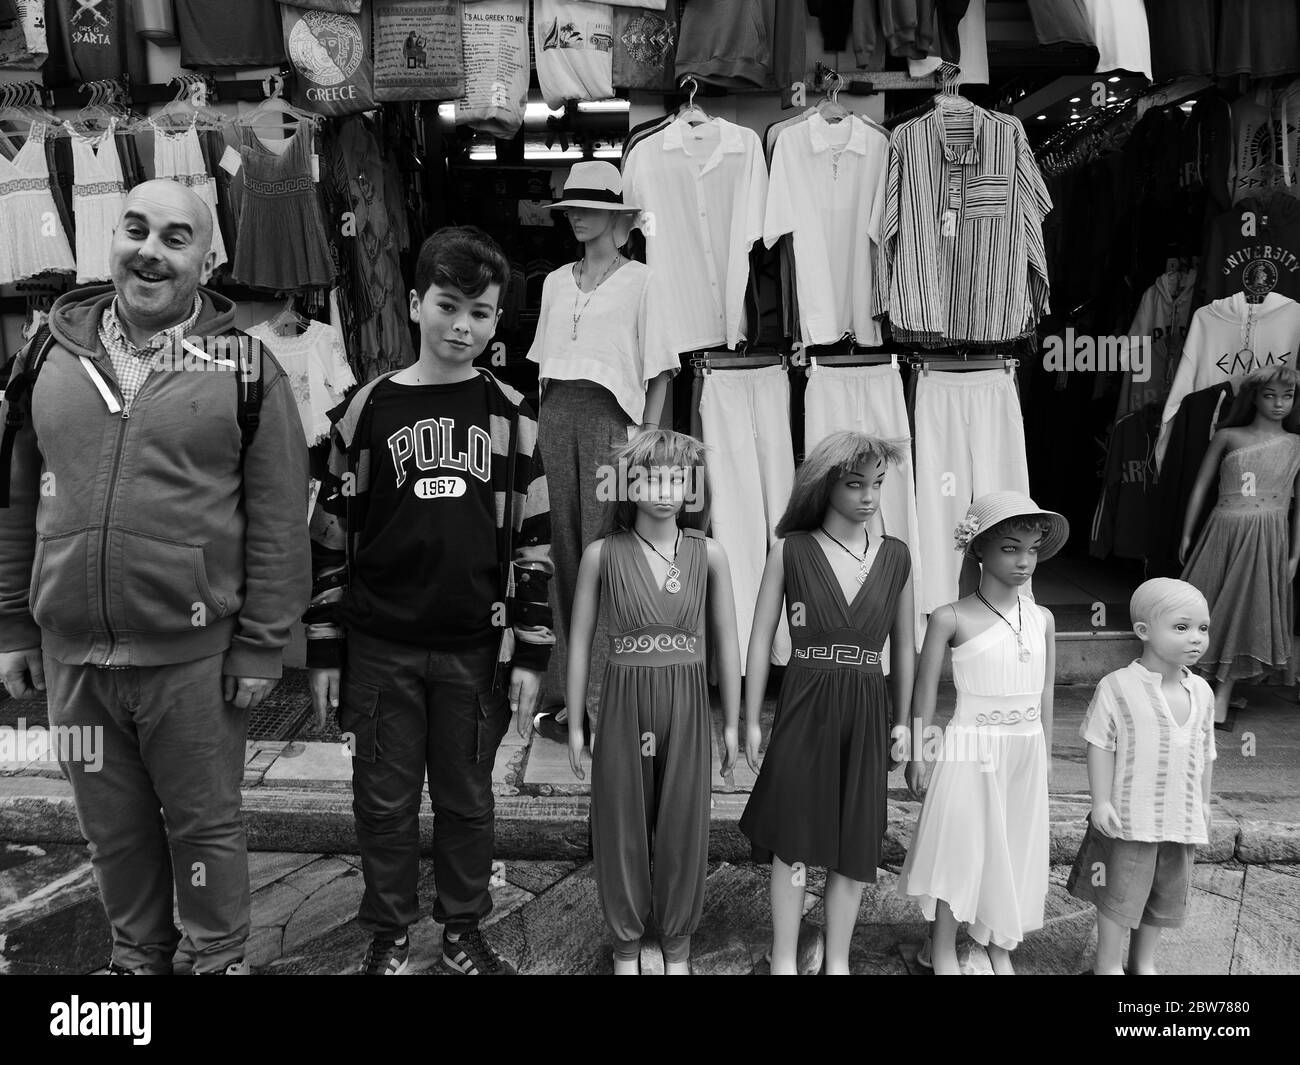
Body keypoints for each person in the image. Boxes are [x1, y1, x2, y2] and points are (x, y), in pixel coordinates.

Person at [0, 180, 311, 975]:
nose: (151, 251)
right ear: (111, 237)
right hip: (74, 655)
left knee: (203, 825)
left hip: (192, 658)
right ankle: (137, 960)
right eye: (136, 229)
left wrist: (261, 645)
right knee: (113, 827)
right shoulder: (47, 353)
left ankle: (215, 958)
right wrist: (11, 624)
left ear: (206, 260)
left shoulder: (245, 367)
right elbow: (12, 497)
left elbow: (279, 517)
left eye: (176, 238)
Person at [306, 226, 553, 976]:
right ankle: (389, 929)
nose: (462, 327)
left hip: (476, 652)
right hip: (379, 649)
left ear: (497, 317)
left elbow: (535, 541)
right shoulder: (365, 410)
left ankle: (462, 926)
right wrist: (323, 640)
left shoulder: (512, 414)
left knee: (468, 801)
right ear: (414, 303)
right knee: (381, 803)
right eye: (447, 305)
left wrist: (534, 648)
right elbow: (330, 531)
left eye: (481, 313)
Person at [739, 431, 916, 976]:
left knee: (855, 836)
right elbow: (760, 635)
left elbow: (904, 646)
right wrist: (749, 718)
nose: (868, 496)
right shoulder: (790, 550)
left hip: (867, 700)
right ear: (824, 484)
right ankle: (785, 958)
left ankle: (838, 959)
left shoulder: (896, 557)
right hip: (807, 696)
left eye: (878, 485)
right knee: (792, 836)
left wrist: (905, 720)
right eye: (855, 484)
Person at [566, 429, 740, 975]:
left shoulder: (708, 553)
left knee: (685, 822)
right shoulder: (602, 554)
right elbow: (579, 642)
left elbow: (727, 641)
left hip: (687, 700)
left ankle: (677, 944)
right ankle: (625, 944)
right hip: (623, 700)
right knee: (620, 820)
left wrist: (730, 724)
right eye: (650, 476)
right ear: (627, 483)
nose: (665, 489)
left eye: (677, 477)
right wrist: (576, 724)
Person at [528, 161, 678, 742]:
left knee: (609, 556)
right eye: (570, 209)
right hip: (555, 419)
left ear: (619, 216)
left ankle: (606, 701)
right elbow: (543, 369)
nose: (577, 217)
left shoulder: (642, 281)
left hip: (614, 426)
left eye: (589, 207)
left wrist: (646, 439)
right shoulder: (552, 282)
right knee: (559, 554)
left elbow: (660, 368)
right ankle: (565, 695)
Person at [897, 491, 1066, 976]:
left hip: (1025, 747)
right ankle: (944, 948)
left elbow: (1046, 692)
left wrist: (1048, 753)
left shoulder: (1043, 619)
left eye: (1032, 550)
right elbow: (924, 693)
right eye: (1011, 548)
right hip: (970, 745)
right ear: (979, 551)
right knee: (961, 846)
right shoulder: (950, 617)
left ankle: (999, 941)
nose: (1024, 561)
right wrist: (919, 751)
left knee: (1014, 844)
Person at [1066, 578, 1216, 976]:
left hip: (1180, 822)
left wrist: (1202, 801)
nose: (1196, 638)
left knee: (1163, 898)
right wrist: (1101, 801)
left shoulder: (1202, 691)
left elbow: (1205, 751)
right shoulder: (1118, 686)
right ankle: (1108, 964)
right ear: (1144, 632)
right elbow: (1099, 744)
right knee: (1118, 895)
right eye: (1181, 627)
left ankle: (1142, 962)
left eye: (1203, 628)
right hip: (1129, 820)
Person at [1178, 364, 1300, 726]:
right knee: (1205, 602)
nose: (1279, 403)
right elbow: (1200, 486)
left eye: (1288, 396)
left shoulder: (1296, 445)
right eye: (1269, 395)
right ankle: (1193, 683)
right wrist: (1187, 532)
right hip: (1223, 529)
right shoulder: (1228, 436)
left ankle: (1224, 693)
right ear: (1254, 397)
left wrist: (1295, 552)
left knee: (1249, 608)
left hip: (1268, 536)